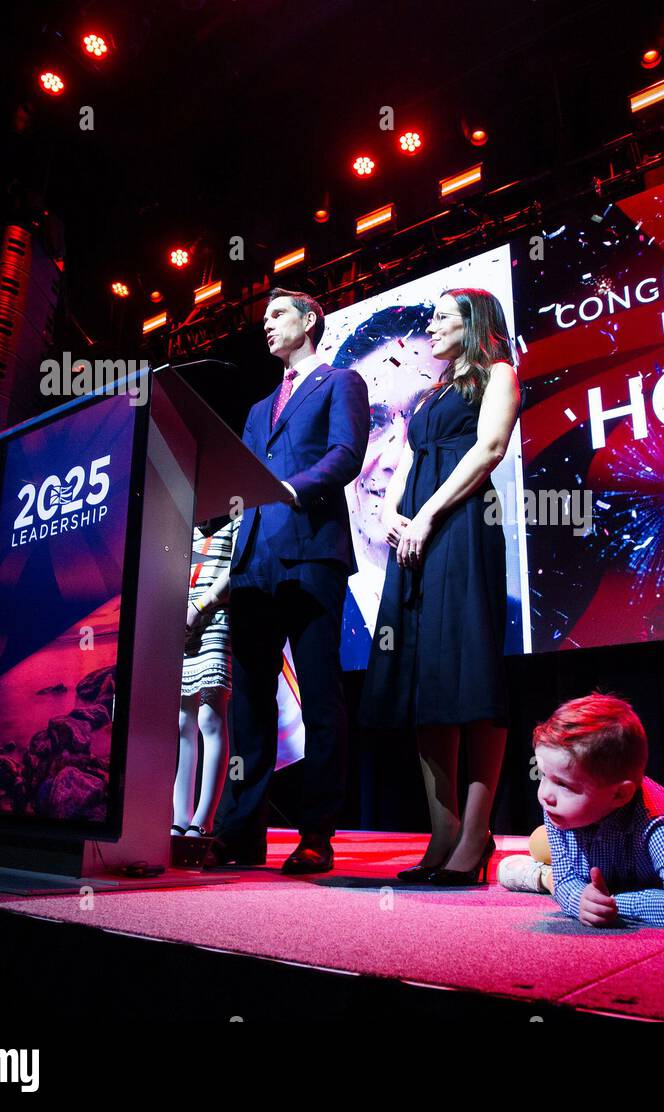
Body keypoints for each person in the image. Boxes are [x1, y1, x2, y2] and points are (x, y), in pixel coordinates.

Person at [360, 288, 520, 885]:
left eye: (443, 317)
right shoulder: (433, 391)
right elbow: (406, 458)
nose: (432, 327)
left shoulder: (498, 374)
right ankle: (444, 832)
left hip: (460, 526)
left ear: (475, 322)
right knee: (426, 682)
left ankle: (478, 835)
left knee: (471, 674)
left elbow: (489, 449)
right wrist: (390, 514)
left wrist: (426, 515)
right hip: (419, 532)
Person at [208, 287, 369, 874]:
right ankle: (239, 835)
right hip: (254, 562)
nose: (267, 326)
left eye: (277, 315)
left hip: (311, 555)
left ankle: (316, 835)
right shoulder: (255, 410)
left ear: (309, 321)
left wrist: (294, 488)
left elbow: (348, 454)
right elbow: (242, 483)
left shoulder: (341, 382)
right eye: (265, 318)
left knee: (322, 696)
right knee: (248, 705)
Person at [498, 692, 664, 930]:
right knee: (537, 844)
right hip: (599, 863)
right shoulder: (556, 806)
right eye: (543, 775)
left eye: (564, 784)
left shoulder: (659, 822)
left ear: (620, 795)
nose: (545, 795)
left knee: (532, 855)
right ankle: (545, 875)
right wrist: (579, 899)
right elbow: (568, 881)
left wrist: (612, 904)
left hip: (625, 871)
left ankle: (541, 877)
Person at [331, 303, 437, 670]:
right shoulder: (309, 625)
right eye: (373, 421)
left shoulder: (504, 618)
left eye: (425, 417)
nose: (395, 456)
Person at [173, 515, 237, 837]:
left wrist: (199, 607)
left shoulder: (237, 518)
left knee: (210, 720)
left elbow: (236, 567)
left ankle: (203, 818)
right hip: (182, 623)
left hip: (216, 618)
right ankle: (178, 817)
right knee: (183, 722)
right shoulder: (189, 520)